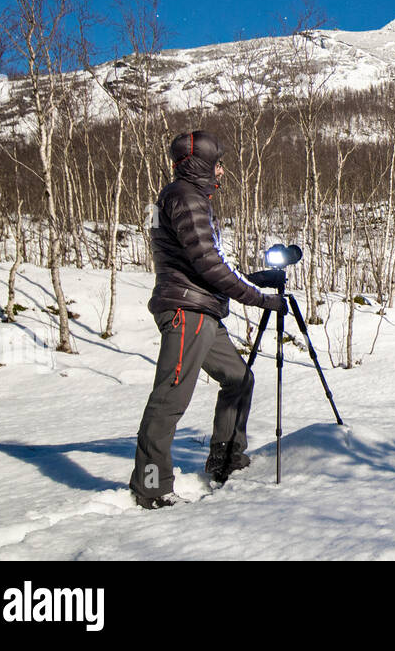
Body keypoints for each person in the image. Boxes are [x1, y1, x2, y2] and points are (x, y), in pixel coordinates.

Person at [129, 129, 288, 509]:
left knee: (239, 378)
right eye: (217, 163)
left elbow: (198, 259)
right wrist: (259, 299)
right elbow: (205, 261)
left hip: (202, 309)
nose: (221, 171)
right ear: (201, 163)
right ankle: (151, 486)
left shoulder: (183, 198)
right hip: (188, 312)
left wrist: (248, 278)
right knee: (170, 398)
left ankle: (225, 458)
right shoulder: (184, 197)